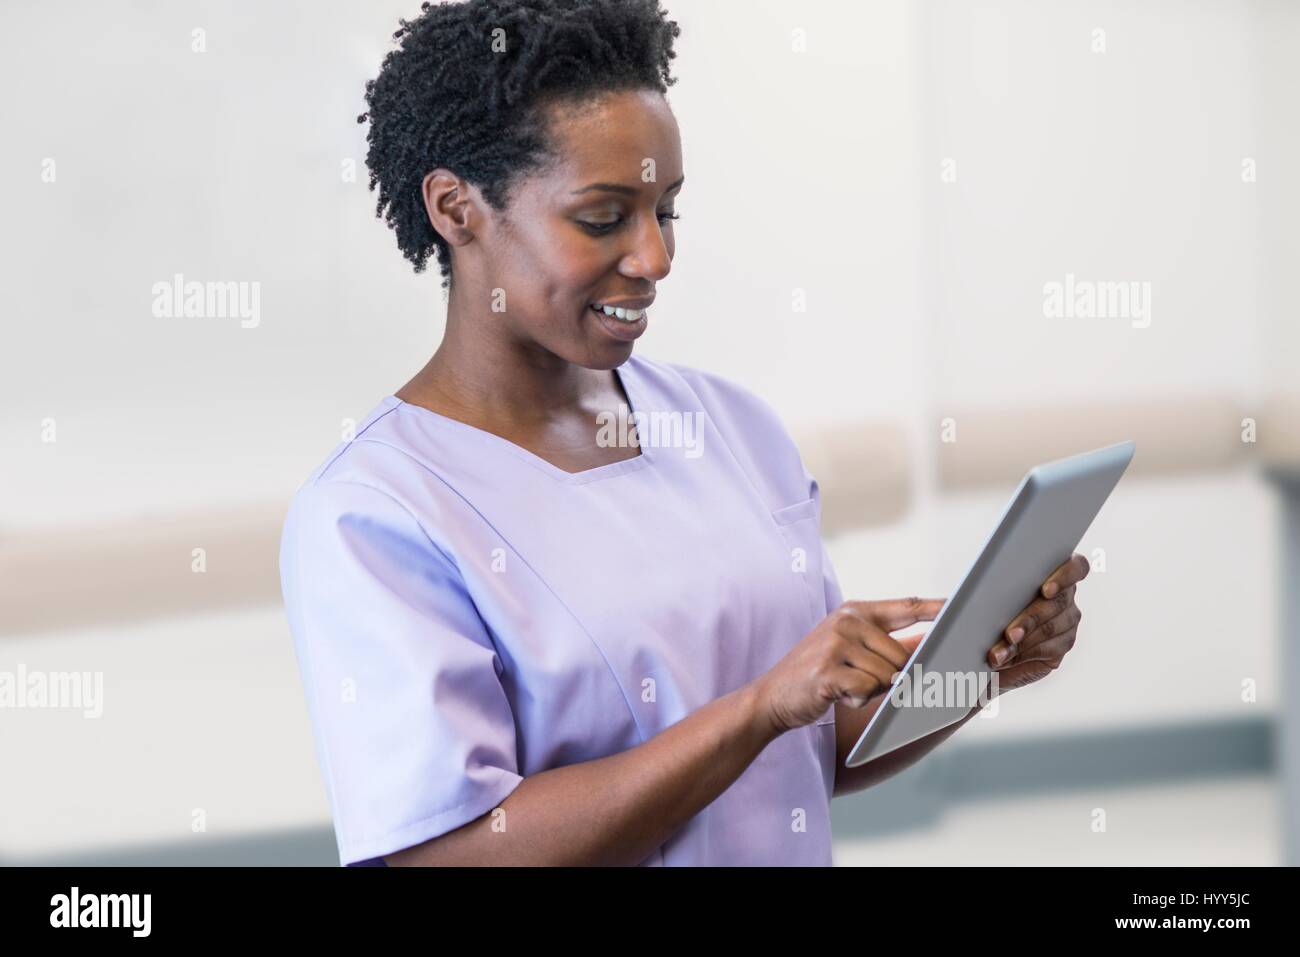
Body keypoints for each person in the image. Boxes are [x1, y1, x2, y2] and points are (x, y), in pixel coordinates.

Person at [278, 0, 1091, 867]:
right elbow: (444, 853)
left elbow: (813, 740)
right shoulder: (378, 514)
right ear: (456, 208)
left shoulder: (729, 428)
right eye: (603, 217)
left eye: (666, 210)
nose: (655, 257)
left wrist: (975, 666)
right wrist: (757, 707)